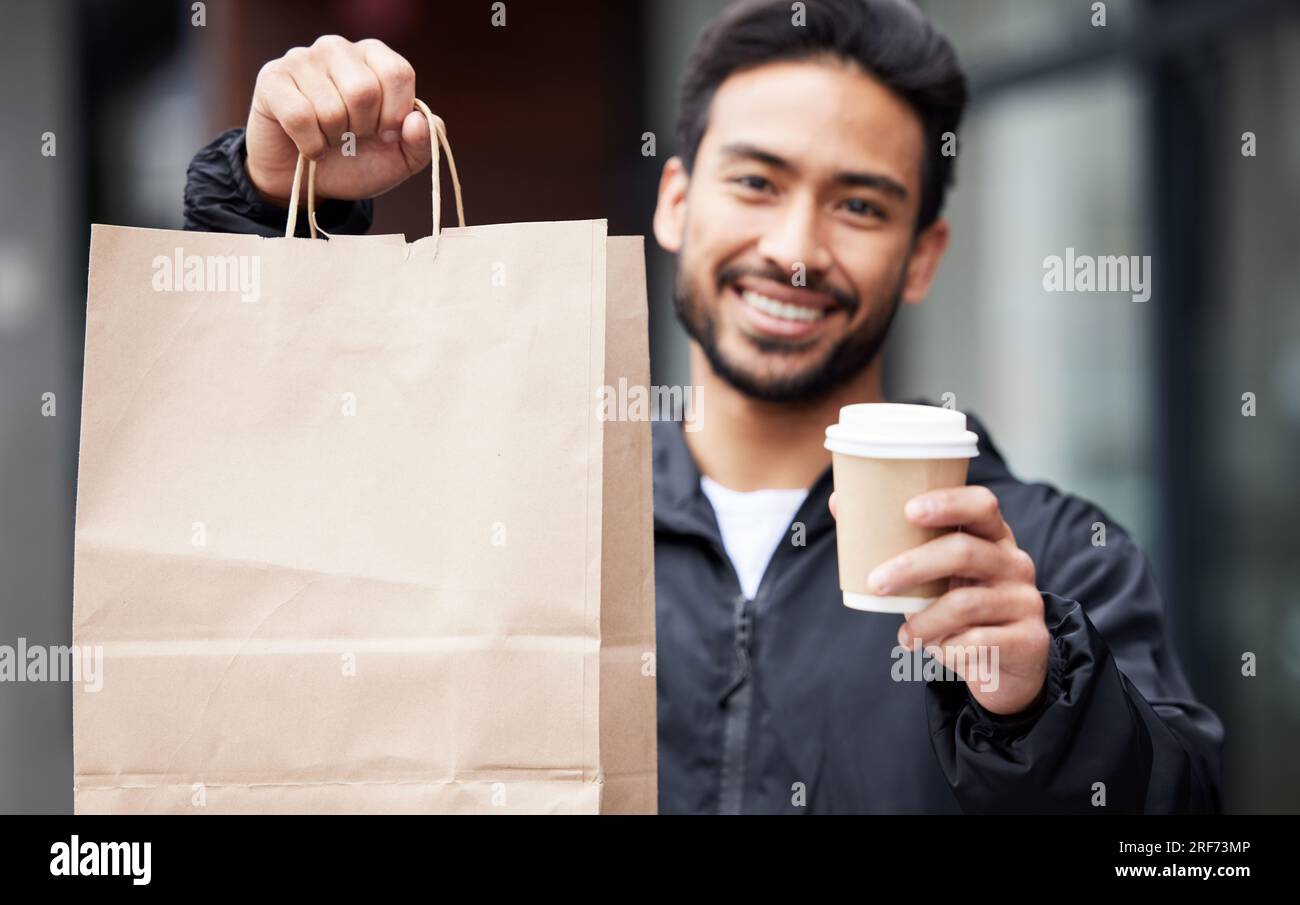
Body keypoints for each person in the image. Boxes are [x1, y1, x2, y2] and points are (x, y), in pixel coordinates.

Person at [183, 0, 1224, 813]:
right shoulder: (521, 513)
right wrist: (278, 210)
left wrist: (1046, 706)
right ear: (676, 200)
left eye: (859, 204)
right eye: (758, 182)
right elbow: (281, 524)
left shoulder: (1049, 565)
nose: (796, 248)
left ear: (922, 258)